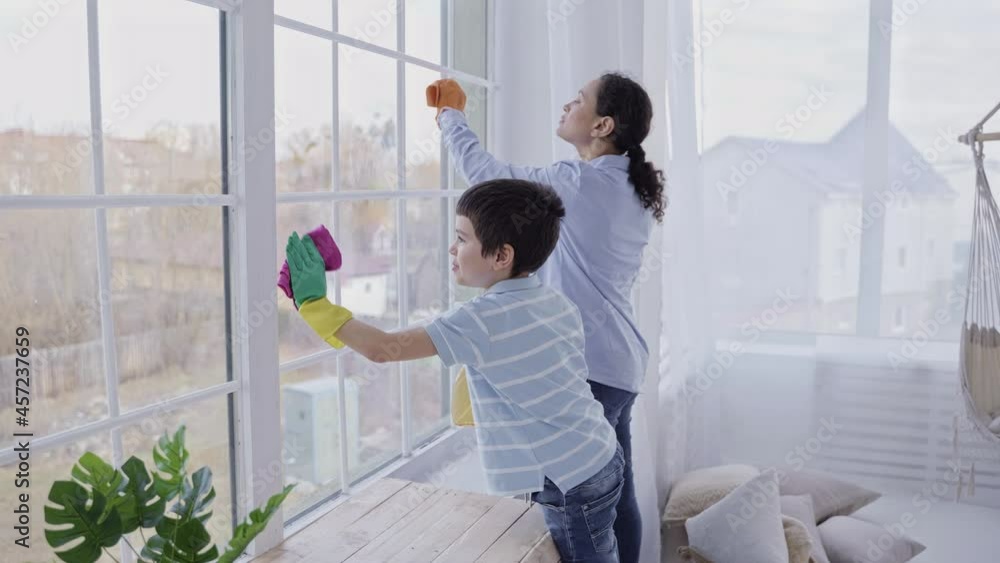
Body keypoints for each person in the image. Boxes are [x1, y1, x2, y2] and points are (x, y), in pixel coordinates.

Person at [285, 178, 626, 562]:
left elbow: (382, 349)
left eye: (462, 239)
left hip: (571, 480)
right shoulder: (553, 301)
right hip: (601, 450)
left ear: (501, 256)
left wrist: (314, 304)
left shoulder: (479, 320)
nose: (451, 248)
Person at [427, 72, 666, 563]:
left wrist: (450, 116)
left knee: (574, 506)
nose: (566, 106)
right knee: (617, 494)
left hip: (589, 369)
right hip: (621, 365)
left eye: (578, 100)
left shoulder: (578, 182)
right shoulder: (631, 188)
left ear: (602, 125)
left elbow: (487, 177)